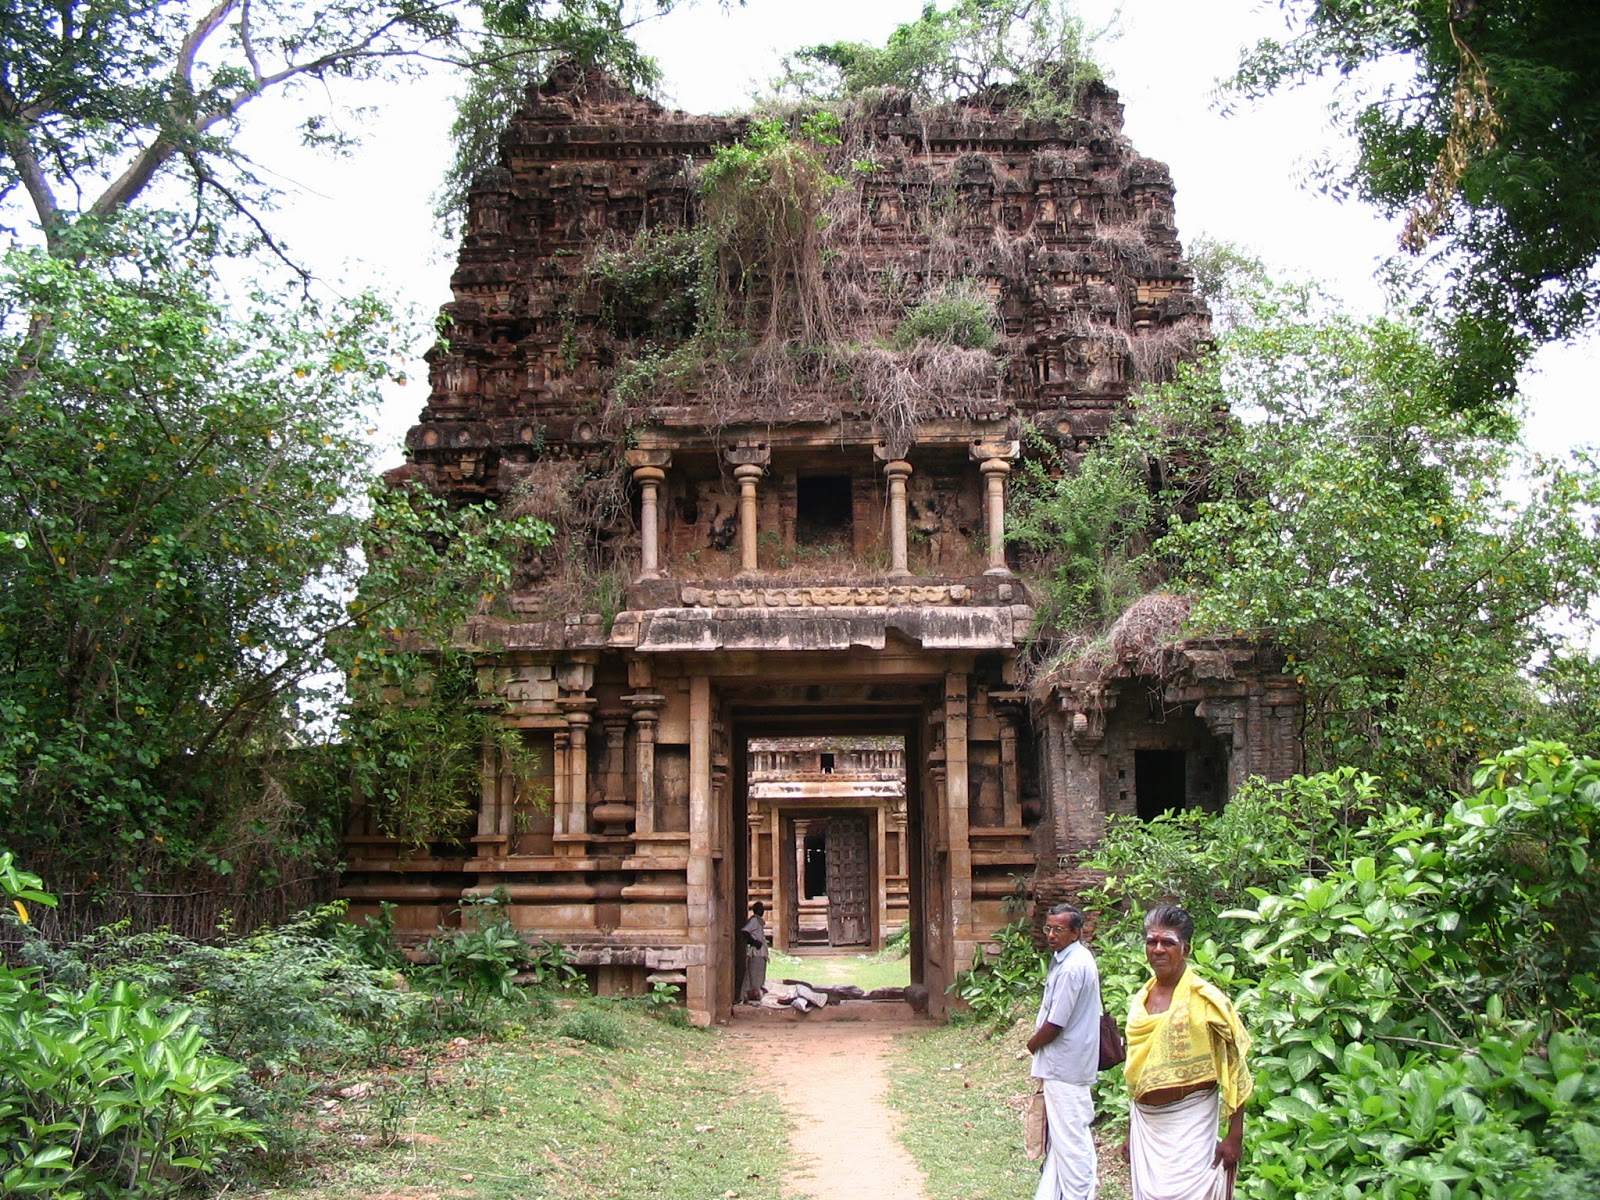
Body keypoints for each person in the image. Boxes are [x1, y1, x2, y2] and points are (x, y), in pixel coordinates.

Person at [1123, 905, 1252, 1200]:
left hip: (1190, 1123)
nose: (1158, 949)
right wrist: (1131, 1130)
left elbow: (1236, 1068)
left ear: (1186, 949)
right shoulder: (1140, 1001)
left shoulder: (1206, 1001)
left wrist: (1235, 1136)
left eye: (1167, 942)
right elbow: (1136, 1075)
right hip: (1147, 1125)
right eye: (1151, 941)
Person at [1025, 902, 1102, 1200]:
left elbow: (1055, 1023)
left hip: (1065, 1066)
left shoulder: (1072, 966)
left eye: (1059, 929)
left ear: (1076, 933)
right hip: (1069, 1063)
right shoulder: (1070, 959)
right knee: (1062, 1138)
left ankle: (1079, 1195)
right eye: (1049, 928)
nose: (1052, 935)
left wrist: (1032, 1045)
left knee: (1071, 1141)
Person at [739, 901, 769, 1002]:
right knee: (754, 976)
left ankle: (749, 996)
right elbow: (744, 932)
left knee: (757, 975)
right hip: (756, 953)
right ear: (756, 910)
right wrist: (754, 942)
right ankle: (751, 997)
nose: (762, 911)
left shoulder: (759, 921)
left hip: (760, 953)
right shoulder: (754, 921)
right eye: (760, 909)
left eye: (762, 909)